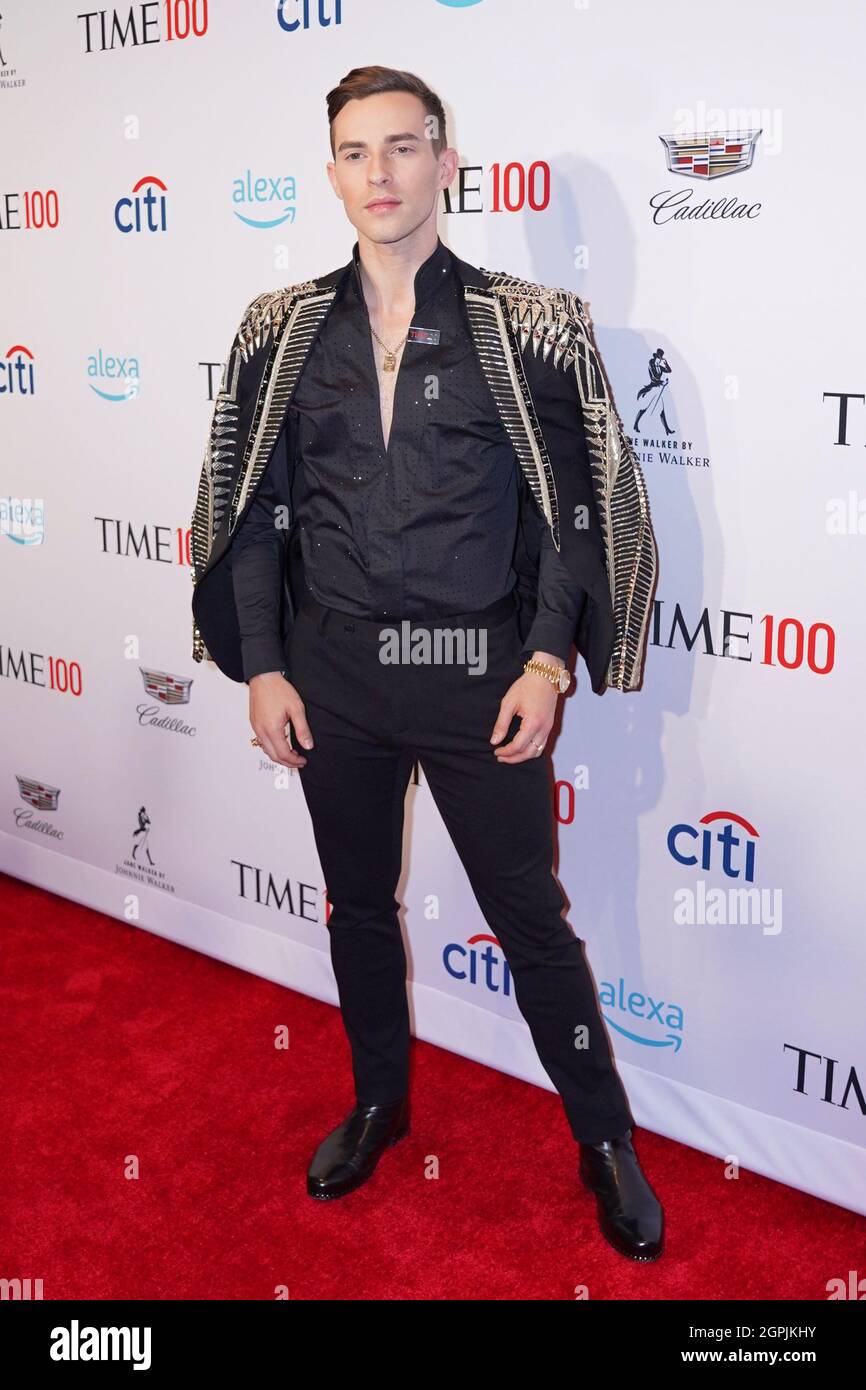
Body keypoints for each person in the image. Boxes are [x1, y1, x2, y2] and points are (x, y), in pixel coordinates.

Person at [190, 65, 662, 1262]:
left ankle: (603, 1140)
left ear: (446, 162)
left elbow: (567, 516)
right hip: (329, 675)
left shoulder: (527, 324)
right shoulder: (279, 330)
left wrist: (547, 663)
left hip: (474, 674)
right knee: (356, 907)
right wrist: (261, 667)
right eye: (355, 152)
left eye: (403, 149)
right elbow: (251, 514)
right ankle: (377, 1101)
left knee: (530, 921)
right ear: (332, 169)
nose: (380, 175)